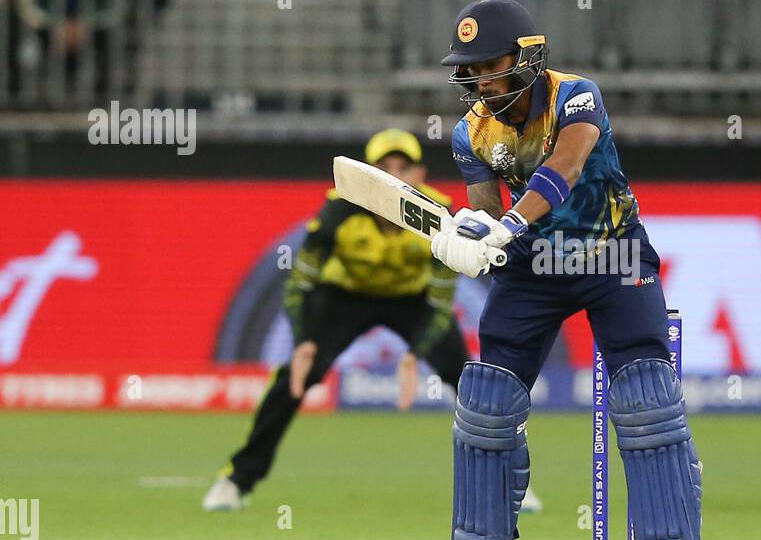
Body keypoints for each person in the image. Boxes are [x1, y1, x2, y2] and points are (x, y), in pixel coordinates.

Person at [428, 0, 708, 540]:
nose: (479, 78)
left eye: (490, 64)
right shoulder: (469, 132)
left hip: (612, 253)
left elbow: (567, 163)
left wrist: (508, 224)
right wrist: (466, 235)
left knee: (645, 398)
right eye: (469, 69)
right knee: (487, 402)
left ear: (527, 57)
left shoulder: (576, 95)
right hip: (532, 267)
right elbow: (483, 212)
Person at [203, 130, 549, 512]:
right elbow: (301, 281)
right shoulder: (338, 211)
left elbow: (439, 299)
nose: (395, 178)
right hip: (344, 299)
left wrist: (413, 354)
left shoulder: (443, 219)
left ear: (420, 173)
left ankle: (511, 482)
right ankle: (237, 480)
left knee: (471, 380)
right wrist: (303, 340)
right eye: (384, 168)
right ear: (367, 176)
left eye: (404, 168)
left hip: (412, 302)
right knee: (292, 382)